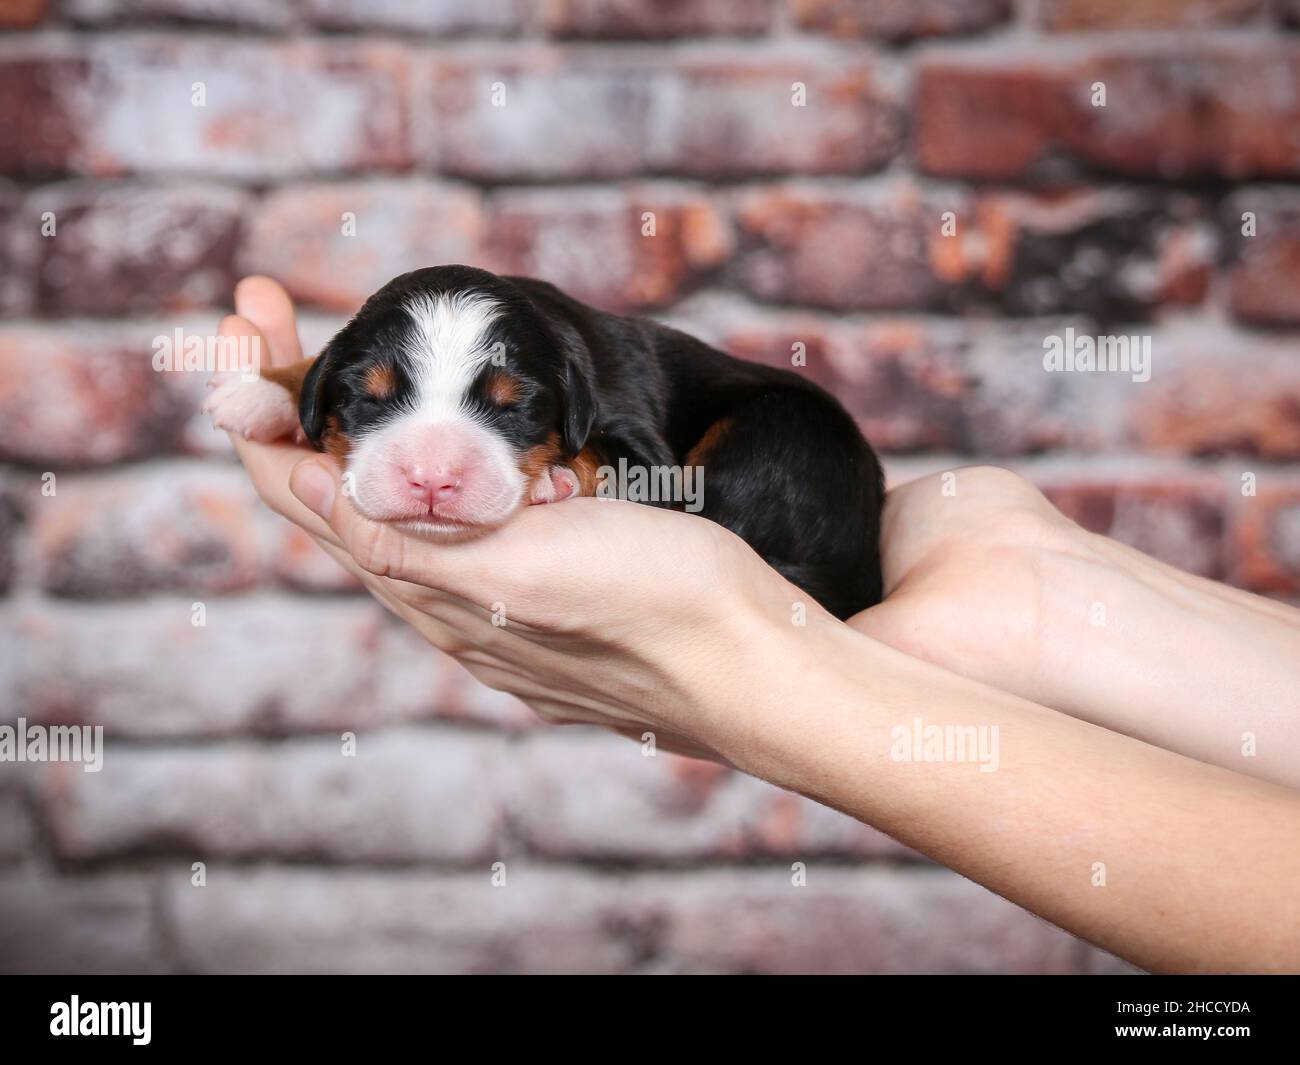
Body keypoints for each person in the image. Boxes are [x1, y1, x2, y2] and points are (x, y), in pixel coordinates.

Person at [221, 277, 1300, 974]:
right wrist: (287, 390)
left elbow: (640, 449)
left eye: (504, 413)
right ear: (331, 394)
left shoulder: (608, 392)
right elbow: (330, 392)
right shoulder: (389, 383)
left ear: (566, 408)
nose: (430, 458)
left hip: (791, 467)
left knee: (764, 435)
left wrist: (748, 656)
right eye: (370, 403)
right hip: (849, 531)